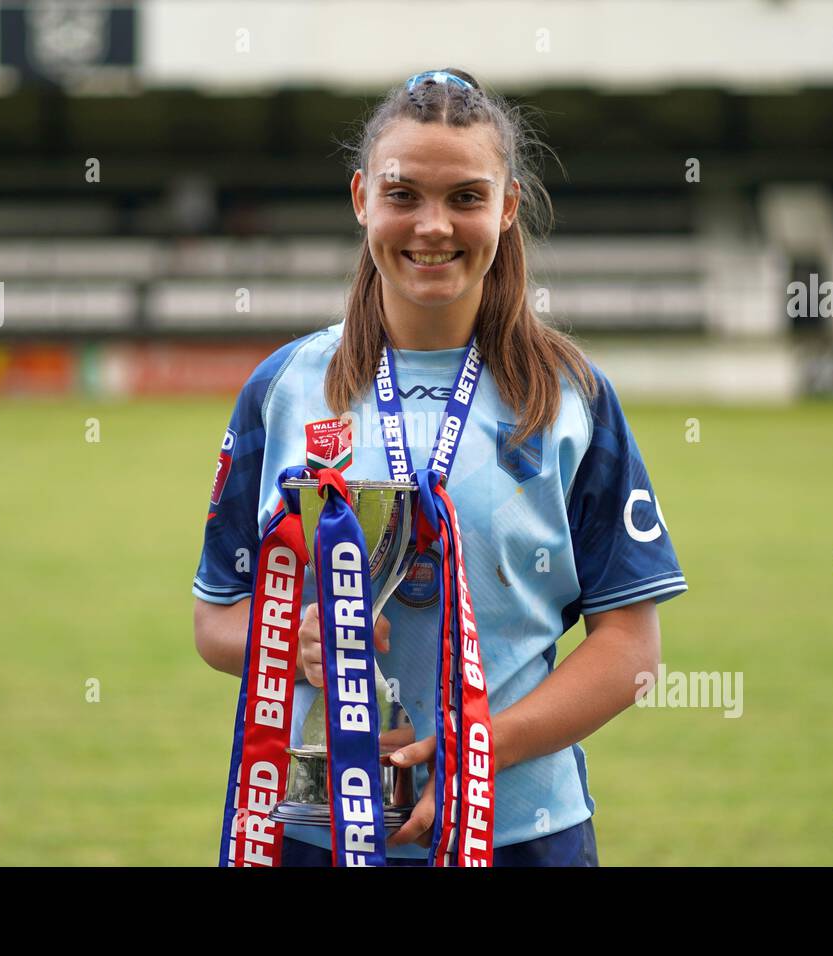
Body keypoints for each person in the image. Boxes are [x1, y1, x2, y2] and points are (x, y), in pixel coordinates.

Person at [193, 67, 687, 866]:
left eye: (465, 196)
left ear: (508, 207)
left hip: (520, 830)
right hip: (315, 832)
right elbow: (217, 620)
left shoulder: (571, 398)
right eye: (403, 195)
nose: (432, 226)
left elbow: (631, 651)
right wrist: (289, 637)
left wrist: (481, 748)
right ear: (361, 199)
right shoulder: (283, 388)